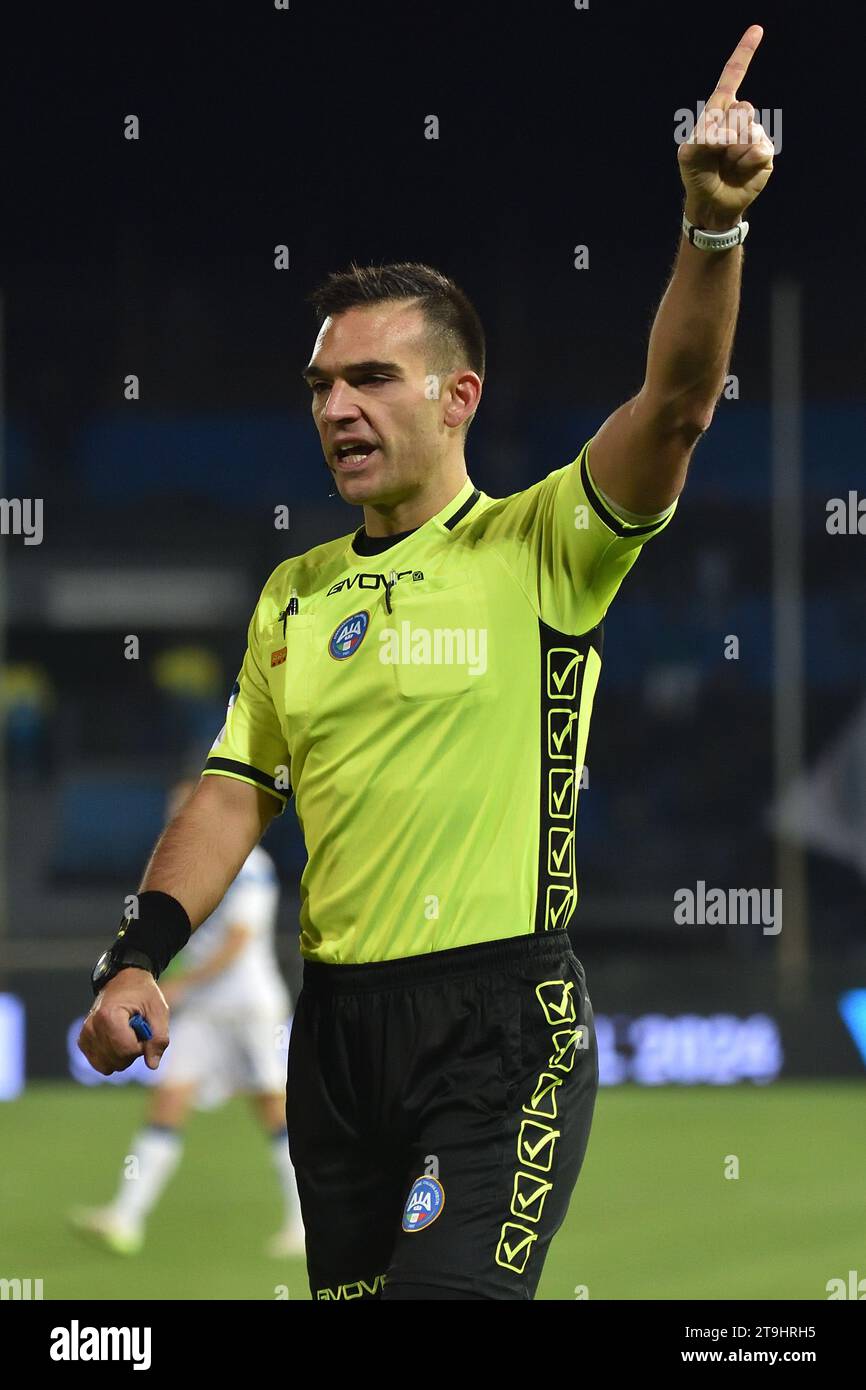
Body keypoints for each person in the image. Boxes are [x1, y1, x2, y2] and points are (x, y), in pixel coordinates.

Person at [78, 26, 774, 1300]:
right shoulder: (294, 596)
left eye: (371, 379)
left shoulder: (540, 545)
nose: (335, 406)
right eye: (319, 384)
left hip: (497, 1023)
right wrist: (135, 950)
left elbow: (674, 405)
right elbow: (236, 788)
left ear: (458, 397)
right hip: (336, 1035)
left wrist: (710, 228)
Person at [72, 780, 303, 1258]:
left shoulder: (251, 868)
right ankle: (126, 1216)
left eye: (188, 806)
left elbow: (238, 941)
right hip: (202, 1010)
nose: (181, 817)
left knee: (275, 1111)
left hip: (247, 1007)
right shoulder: (193, 870)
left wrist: (179, 984)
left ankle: (304, 1223)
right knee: (169, 1099)